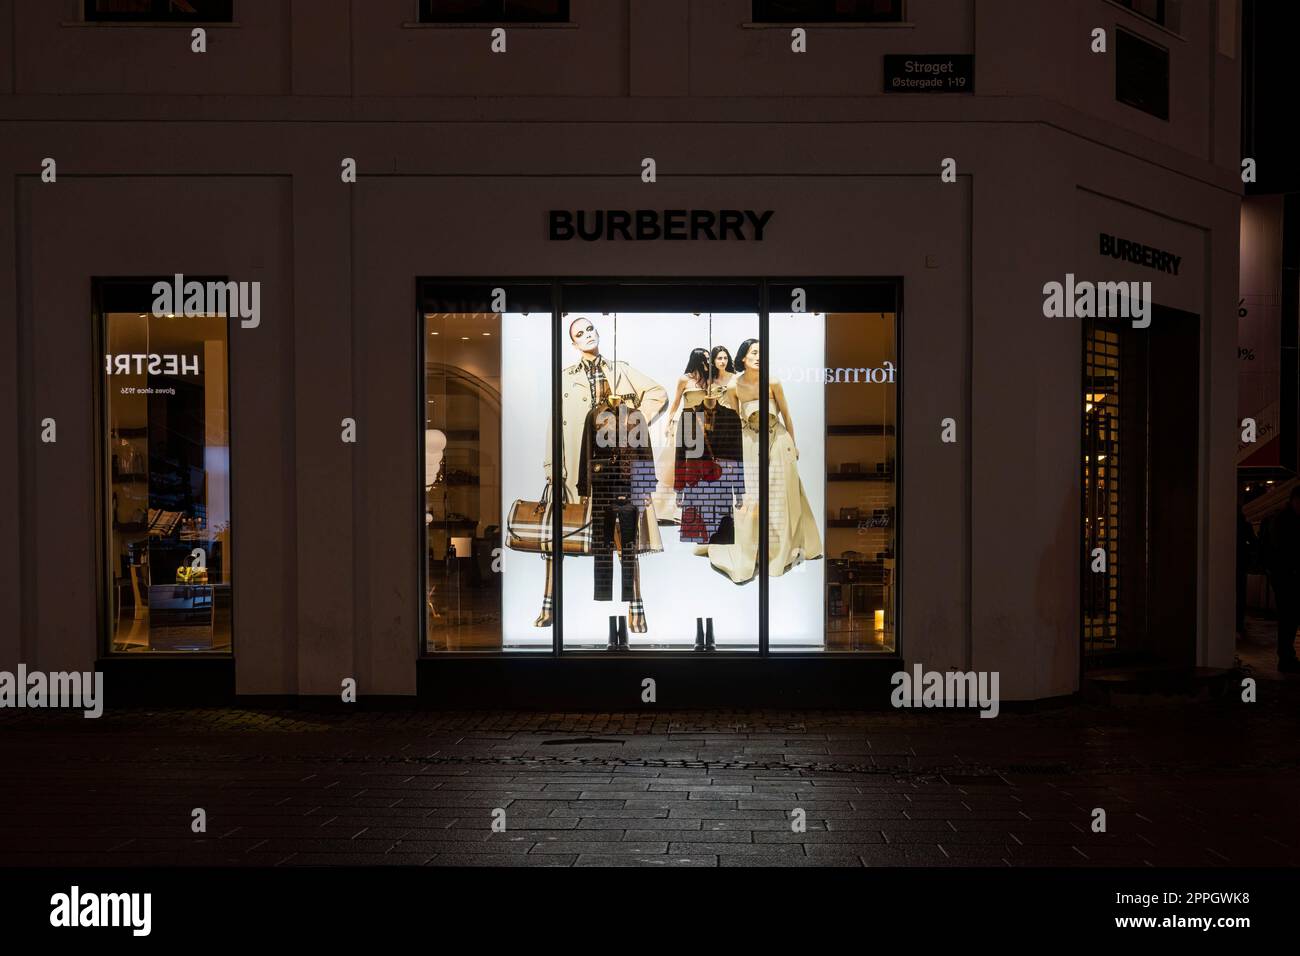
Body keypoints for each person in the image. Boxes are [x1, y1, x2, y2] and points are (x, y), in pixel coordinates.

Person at [535, 314, 667, 628]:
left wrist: (632, 424)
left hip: (615, 467)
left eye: (590, 329)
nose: (588, 335)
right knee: (559, 537)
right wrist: (553, 467)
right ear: (573, 343)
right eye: (580, 333)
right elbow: (555, 425)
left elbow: (658, 393)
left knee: (625, 537)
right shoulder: (565, 377)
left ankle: (636, 606)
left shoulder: (619, 369)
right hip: (579, 465)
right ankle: (549, 605)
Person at [706, 338, 822, 583]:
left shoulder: (773, 381)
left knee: (781, 495)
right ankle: (754, 550)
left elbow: (787, 416)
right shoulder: (734, 386)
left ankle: (781, 550)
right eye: (754, 352)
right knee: (753, 496)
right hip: (749, 441)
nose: (759, 357)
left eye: (762, 352)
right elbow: (736, 420)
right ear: (743, 357)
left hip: (777, 440)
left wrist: (794, 444)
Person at [1264, 486, 1300, 672]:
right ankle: (1286, 657)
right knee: (1288, 618)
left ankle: (1286, 656)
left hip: (1285, 576)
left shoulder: (1282, 519)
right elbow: (1284, 550)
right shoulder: (1284, 521)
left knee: (1289, 618)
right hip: (1287, 577)